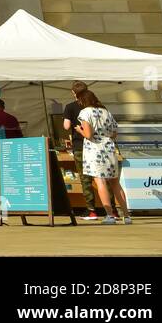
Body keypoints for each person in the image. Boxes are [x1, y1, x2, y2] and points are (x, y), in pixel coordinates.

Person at [76, 89, 130, 224]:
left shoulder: (85, 112)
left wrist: (79, 130)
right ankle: (127, 216)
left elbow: (88, 135)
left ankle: (110, 215)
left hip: (95, 149)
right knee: (115, 183)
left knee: (100, 181)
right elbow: (114, 133)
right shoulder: (106, 112)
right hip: (109, 148)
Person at [63, 81, 101, 220]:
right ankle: (112, 210)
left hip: (80, 145)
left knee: (85, 179)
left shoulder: (70, 107)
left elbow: (66, 126)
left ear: (73, 93)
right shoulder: (98, 107)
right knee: (102, 179)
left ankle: (91, 210)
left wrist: (75, 125)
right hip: (99, 145)